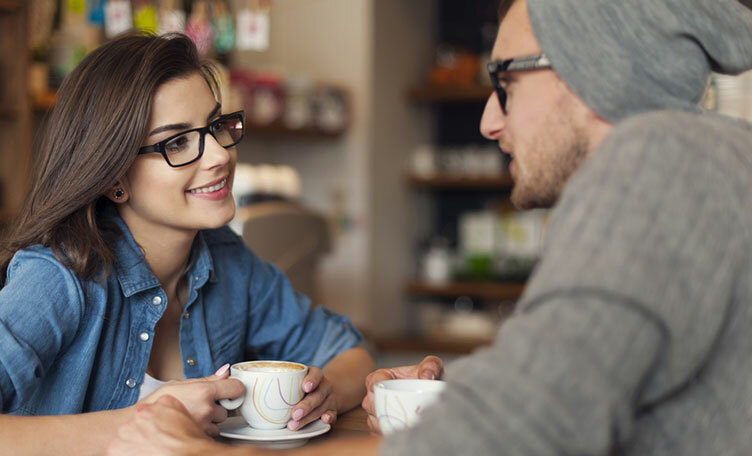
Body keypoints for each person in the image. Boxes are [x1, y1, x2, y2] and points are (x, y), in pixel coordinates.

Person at [106, 0, 752, 454]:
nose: (488, 123)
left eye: (505, 81)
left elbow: (527, 429)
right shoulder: (705, 162)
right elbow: (588, 380)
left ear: (592, 67)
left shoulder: (659, 162)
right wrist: (463, 393)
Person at [0, 32, 375, 455]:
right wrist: (142, 422)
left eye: (215, 126)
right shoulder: (60, 277)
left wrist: (323, 394)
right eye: (177, 142)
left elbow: (349, 355)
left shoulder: (228, 260)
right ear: (114, 178)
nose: (218, 155)